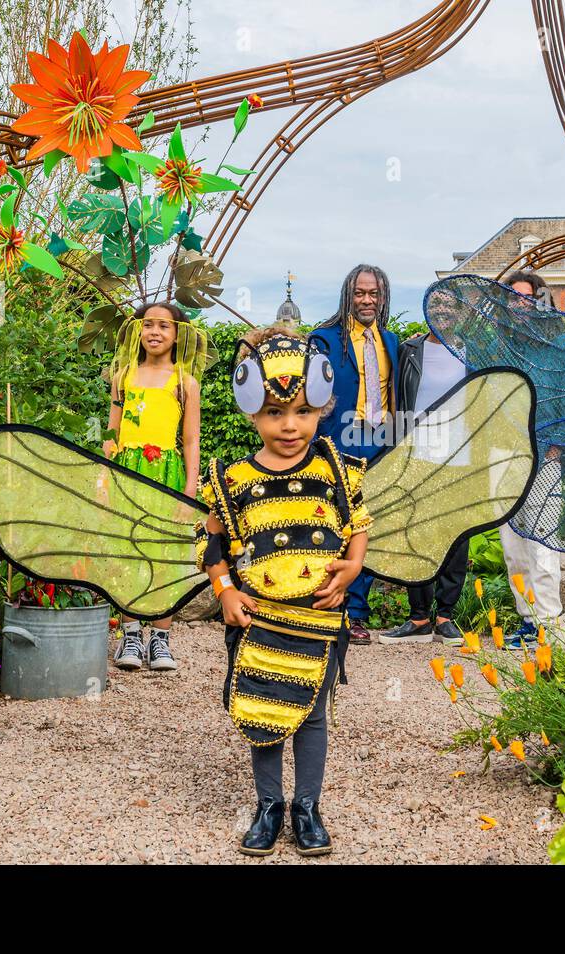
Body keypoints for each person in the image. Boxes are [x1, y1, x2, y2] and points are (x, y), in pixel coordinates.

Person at [196, 326, 370, 857]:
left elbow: (358, 523)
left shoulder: (337, 471)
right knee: (262, 707)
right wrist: (224, 591)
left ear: (322, 408)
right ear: (252, 414)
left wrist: (353, 566)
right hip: (260, 619)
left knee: (314, 712)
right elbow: (214, 547)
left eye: (300, 412)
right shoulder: (230, 480)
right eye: (274, 413)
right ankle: (269, 806)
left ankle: (307, 807)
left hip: (319, 619)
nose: (289, 425)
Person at [103, 301, 207, 671]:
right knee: (128, 551)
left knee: (165, 554)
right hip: (128, 470)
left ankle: (160, 639)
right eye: (148, 324)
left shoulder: (185, 382)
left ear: (178, 334)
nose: (155, 332)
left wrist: (190, 489)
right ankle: (130, 635)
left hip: (167, 474)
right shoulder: (123, 376)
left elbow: (191, 439)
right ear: (138, 331)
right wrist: (106, 473)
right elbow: (112, 431)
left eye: (164, 326)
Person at [307, 265, 400, 646]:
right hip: (336, 441)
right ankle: (327, 607)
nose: (367, 300)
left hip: (379, 440)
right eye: (360, 293)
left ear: (383, 297)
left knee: (366, 526)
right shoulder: (324, 340)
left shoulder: (392, 342)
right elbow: (310, 396)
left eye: (373, 294)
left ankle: (356, 614)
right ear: (349, 295)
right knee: (332, 523)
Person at [378, 325, 468, 646]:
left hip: (459, 455)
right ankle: (418, 617)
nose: (442, 312)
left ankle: (445, 617)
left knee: (454, 536)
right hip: (415, 453)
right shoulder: (410, 351)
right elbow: (395, 397)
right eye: (437, 303)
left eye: (449, 306)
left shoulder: (471, 351)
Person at [498, 270, 565, 647]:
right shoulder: (496, 347)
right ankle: (526, 619)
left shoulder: (559, 346)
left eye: (527, 296)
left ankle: (547, 623)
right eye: (513, 297)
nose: (520, 304)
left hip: (544, 457)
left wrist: (557, 445)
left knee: (543, 542)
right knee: (513, 545)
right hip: (504, 459)